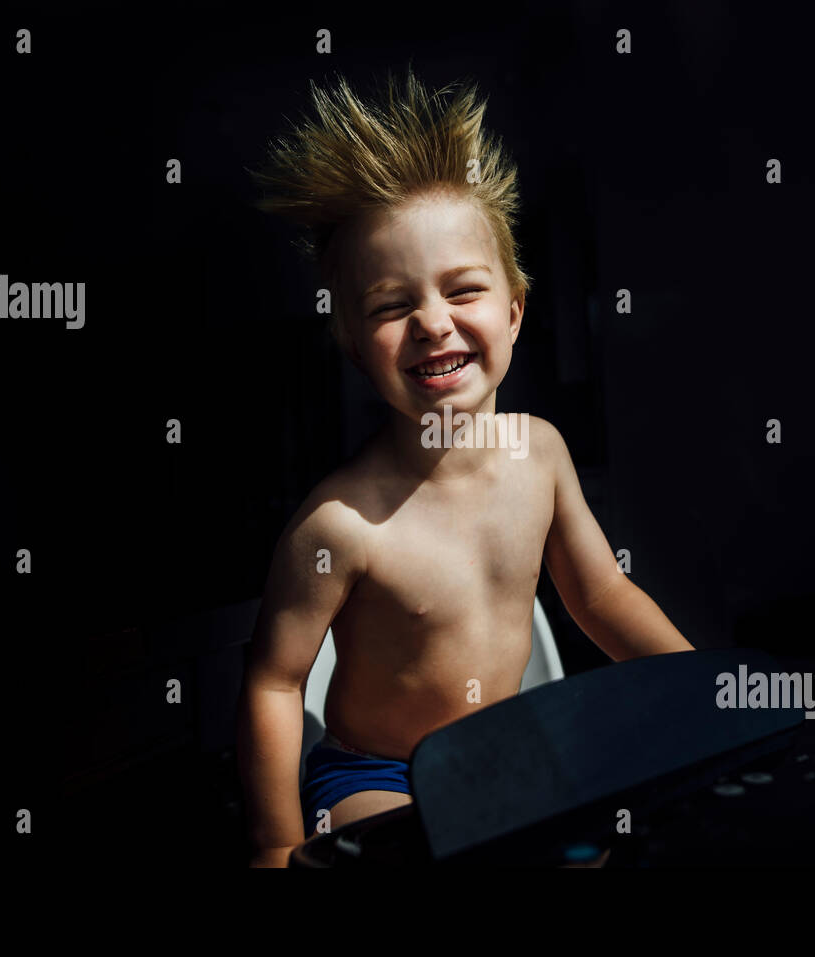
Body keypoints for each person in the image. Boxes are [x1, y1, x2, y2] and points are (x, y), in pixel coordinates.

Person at [237, 68, 693, 867]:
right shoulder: (338, 526)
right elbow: (275, 683)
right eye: (390, 305)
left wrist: (697, 685)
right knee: (404, 854)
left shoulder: (540, 454)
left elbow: (601, 593)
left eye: (463, 290)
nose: (432, 322)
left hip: (502, 752)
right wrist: (276, 845)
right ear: (352, 341)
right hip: (378, 772)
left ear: (514, 310)